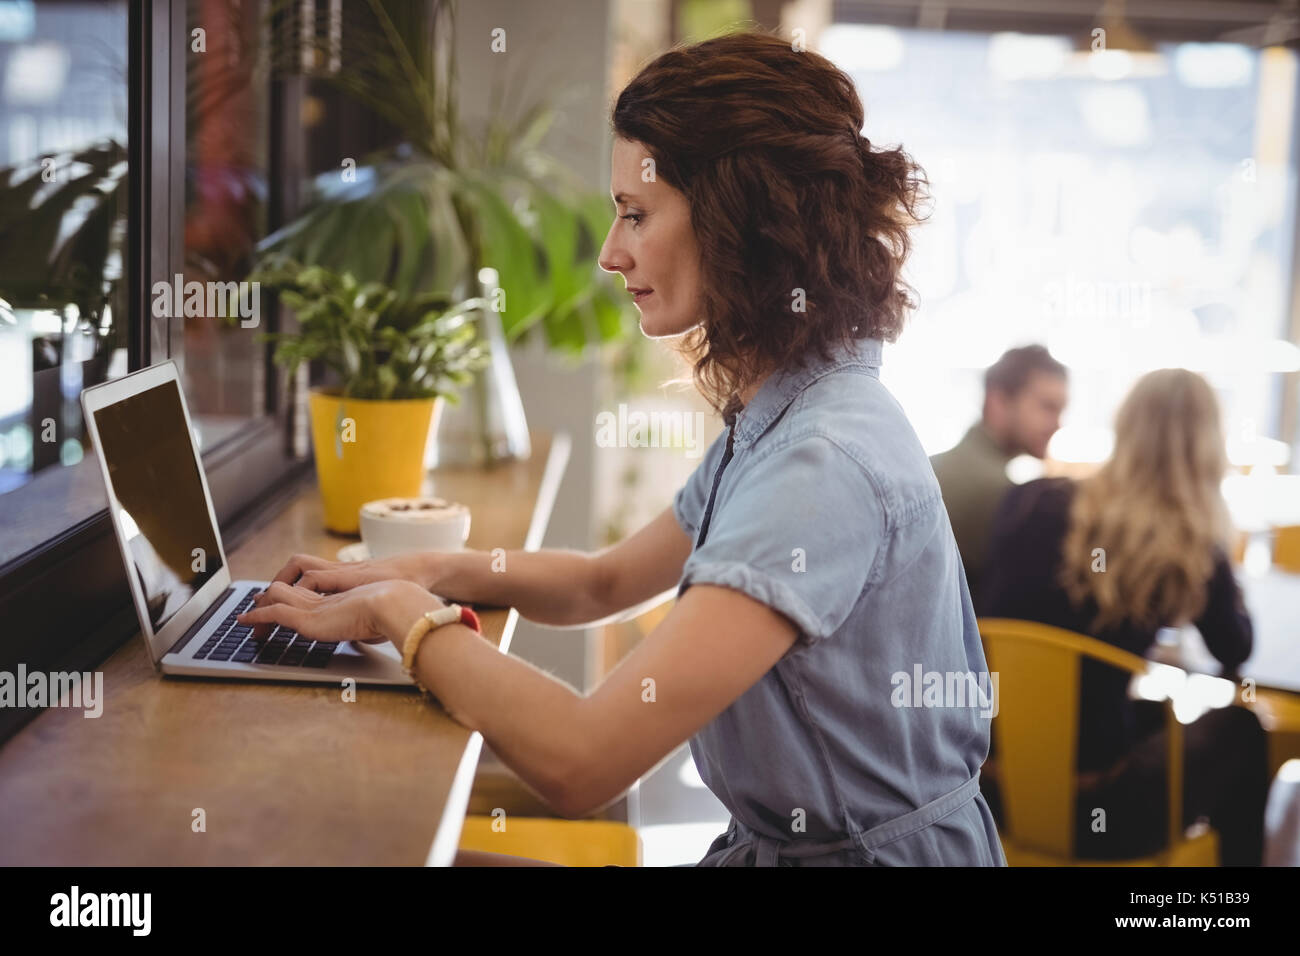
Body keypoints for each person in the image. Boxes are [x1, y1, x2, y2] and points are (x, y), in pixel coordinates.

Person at [238, 29, 1005, 867]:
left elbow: (582, 761)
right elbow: (606, 580)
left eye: (636, 215)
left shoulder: (822, 463)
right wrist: (427, 571)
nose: (611, 253)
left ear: (741, 223)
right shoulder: (789, 409)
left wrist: (400, 616)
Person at [981, 368, 1269, 865]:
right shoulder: (1189, 539)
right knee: (1241, 729)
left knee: (1145, 713)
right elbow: (1235, 647)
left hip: (989, 790)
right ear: (1207, 447)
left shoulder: (1031, 500)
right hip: (1096, 810)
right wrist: (1217, 560)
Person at [930, 345, 1067, 605]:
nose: (1058, 423)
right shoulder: (998, 492)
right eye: (1048, 407)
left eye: (1060, 410)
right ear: (999, 402)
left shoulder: (938, 465)